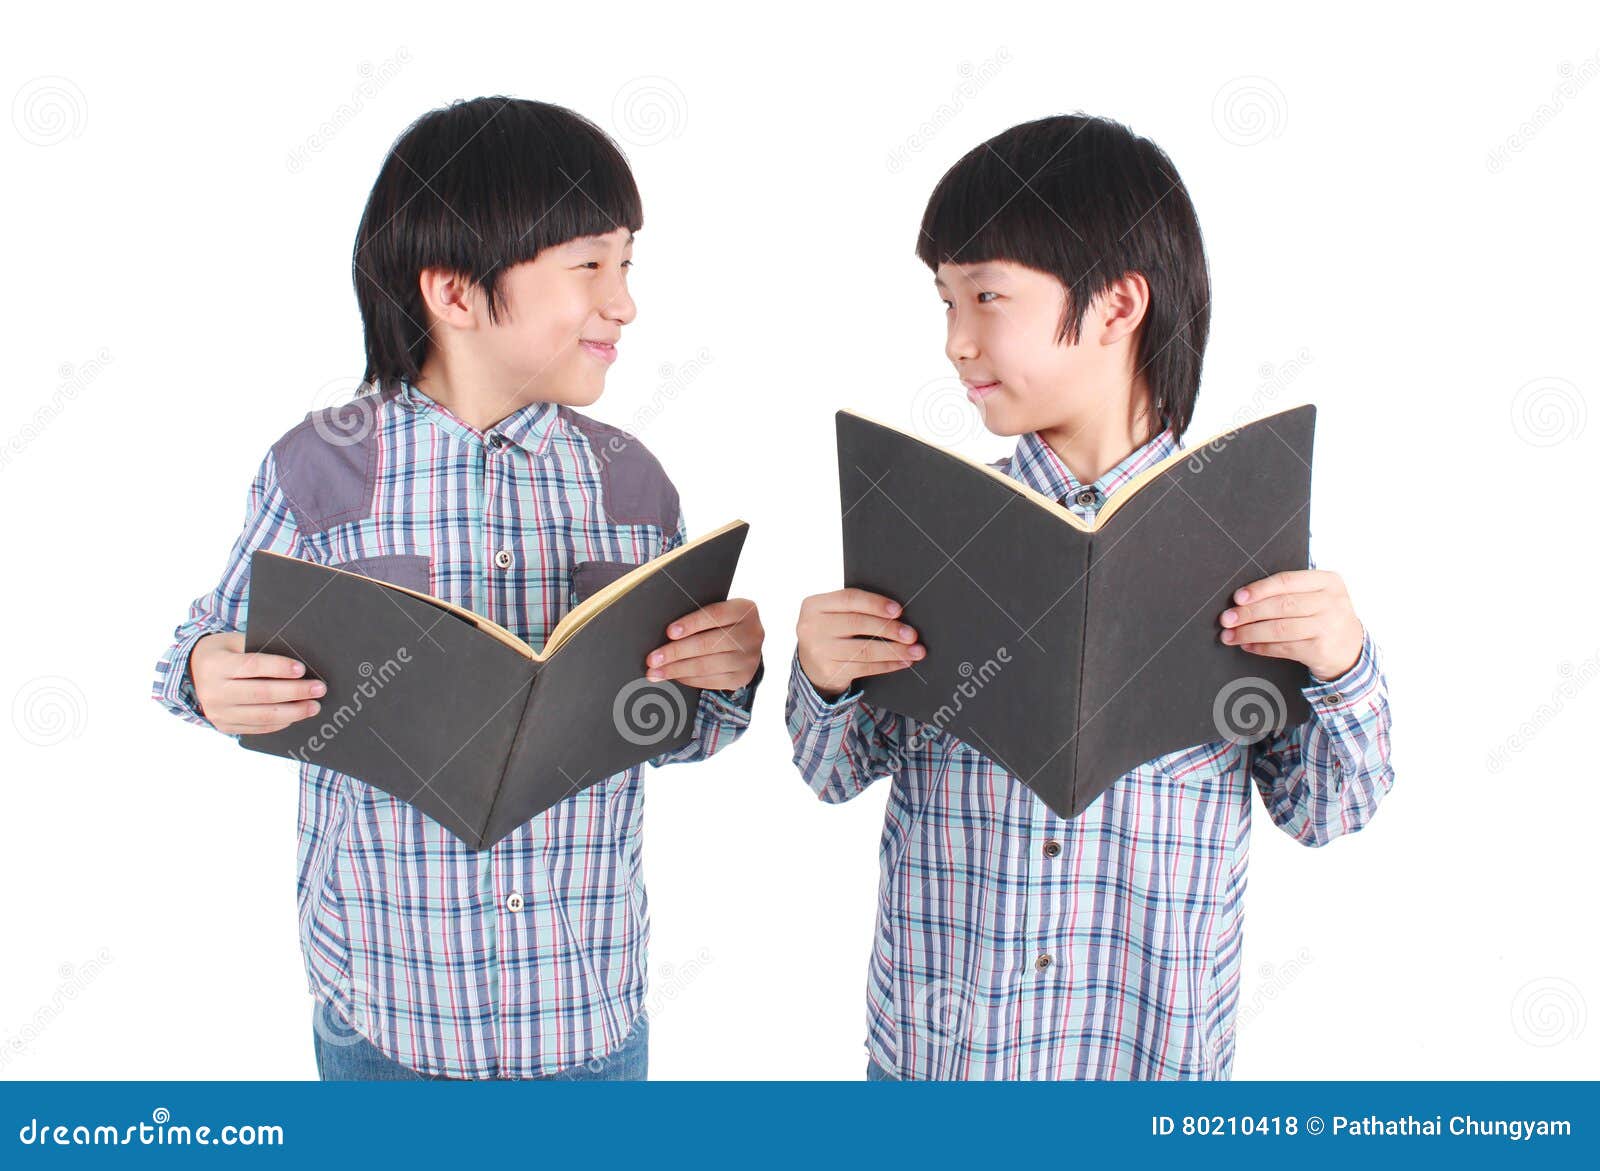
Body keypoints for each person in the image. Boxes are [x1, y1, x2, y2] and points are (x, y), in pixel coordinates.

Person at [152, 96, 765, 1081]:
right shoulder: (320, 470)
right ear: (453, 292)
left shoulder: (632, 483)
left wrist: (722, 678)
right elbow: (202, 645)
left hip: (585, 1016)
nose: (624, 303)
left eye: (627, 264)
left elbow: (684, 731)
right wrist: (206, 672)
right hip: (387, 1011)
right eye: (589, 267)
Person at [787, 114, 1393, 1081]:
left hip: (1147, 1068)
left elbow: (1328, 809)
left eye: (986, 295)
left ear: (1116, 306)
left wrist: (1343, 662)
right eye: (943, 299)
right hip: (945, 1066)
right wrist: (821, 675)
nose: (954, 340)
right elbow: (834, 771)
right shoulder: (936, 527)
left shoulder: (1245, 544)